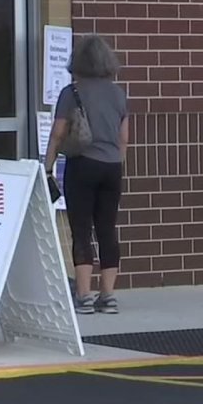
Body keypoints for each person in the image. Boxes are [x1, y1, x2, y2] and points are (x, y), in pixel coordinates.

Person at [44, 35, 129, 315]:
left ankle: (84, 295)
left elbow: (58, 133)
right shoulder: (118, 94)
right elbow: (124, 138)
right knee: (107, 228)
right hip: (112, 167)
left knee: (81, 230)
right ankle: (109, 295)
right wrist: (117, 162)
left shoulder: (73, 92)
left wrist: (48, 165)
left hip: (82, 165)